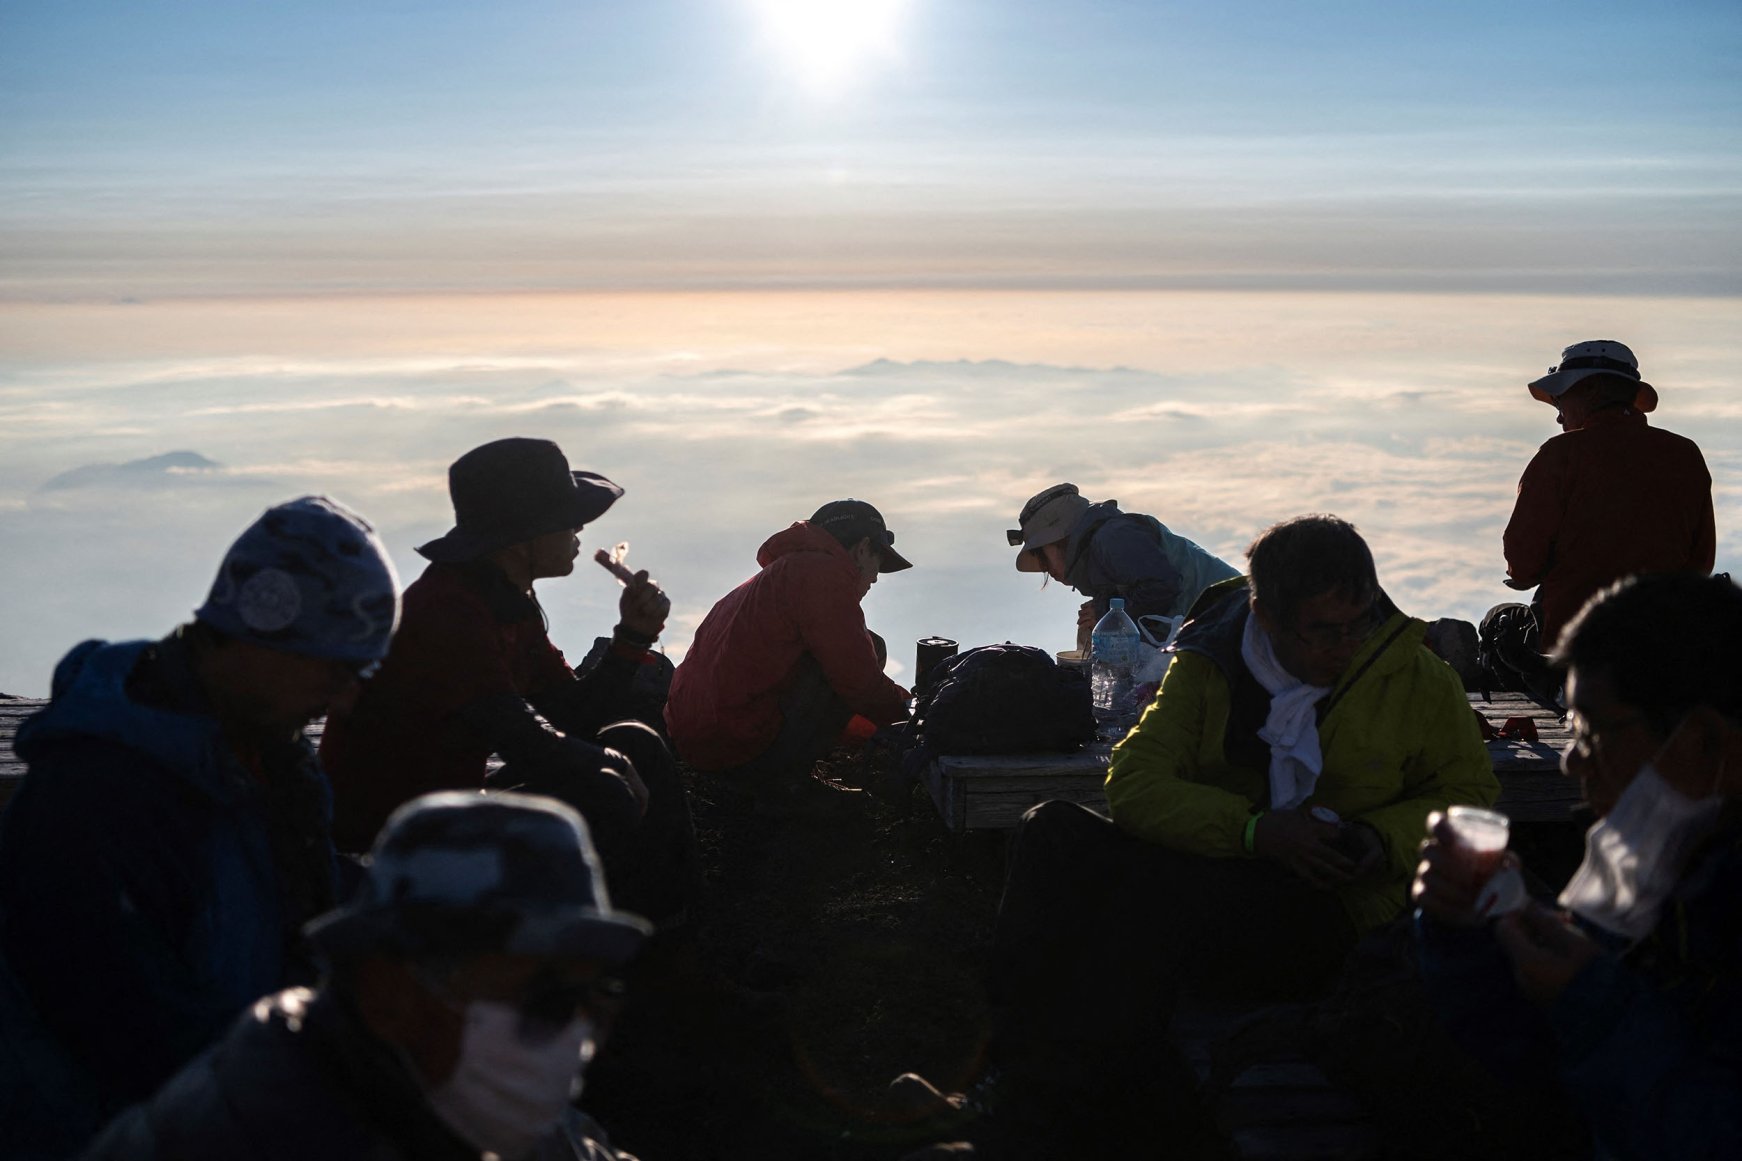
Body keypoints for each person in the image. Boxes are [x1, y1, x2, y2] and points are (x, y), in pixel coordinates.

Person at [964, 514, 1497, 1157]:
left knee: (1139, 907)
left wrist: (1377, 838)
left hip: (1335, 911)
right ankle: (1013, 1067)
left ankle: (1067, 1103)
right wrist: (1255, 832)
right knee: (1052, 830)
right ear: (1266, 617)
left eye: (1359, 624)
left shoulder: (1415, 676)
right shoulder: (1211, 661)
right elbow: (1134, 783)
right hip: (1233, 869)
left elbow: (1472, 801)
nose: (1345, 646)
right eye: (1322, 631)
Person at [0, 497, 400, 1159]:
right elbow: (129, 1028)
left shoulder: (263, 758)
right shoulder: (97, 797)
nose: (347, 696)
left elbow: (304, 902)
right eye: (337, 667)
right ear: (259, 637)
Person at [81, 791, 651, 1161]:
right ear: (389, 994)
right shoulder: (236, 1137)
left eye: (598, 998)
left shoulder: (448, 1097)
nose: (576, 1033)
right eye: (547, 1000)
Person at [1414, 573, 1742, 1161]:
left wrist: (1592, 1001)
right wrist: (1466, 934)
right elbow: (1533, 1064)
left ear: (1707, 742)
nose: (1570, 762)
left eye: (1591, 730)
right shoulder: (1660, 862)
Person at [320, 437, 697, 925]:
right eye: (567, 520)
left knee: (634, 741)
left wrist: (632, 638)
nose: (580, 529)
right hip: (387, 840)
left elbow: (569, 714)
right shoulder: (449, 611)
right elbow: (525, 740)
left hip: (448, 806)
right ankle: (610, 957)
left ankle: (677, 928)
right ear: (522, 540)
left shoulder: (506, 603)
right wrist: (608, 760)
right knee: (604, 787)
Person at [665, 499, 912, 803]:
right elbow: (858, 681)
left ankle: (775, 778)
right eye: (879, 561)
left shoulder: (776, 578)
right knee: (871, 646)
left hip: (696, 741)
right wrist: (910, 719)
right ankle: (783, 785)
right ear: (862, 548)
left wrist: (873, 732)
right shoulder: (823, 575)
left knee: (856, 647)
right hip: (735, 743)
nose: (875, 577)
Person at [1500, 339, 1714, 652]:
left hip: (1574, 650)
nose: (1559, 416)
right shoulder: (1685, 454)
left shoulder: (1560, 454)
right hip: (1666, 645)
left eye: (1562, 402)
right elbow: (1701, 563)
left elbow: (1523, 561)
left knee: (1499, 624)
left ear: (1591, 389)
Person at [1007, 483, 1237, 646]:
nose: (1047, 570)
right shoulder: (1098, 556)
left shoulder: (1113, 536)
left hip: (1232, 614)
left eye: (1043, 558)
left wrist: (1106, 613)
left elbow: (1162, 585)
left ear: (1061, 540)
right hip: (1214, 624)